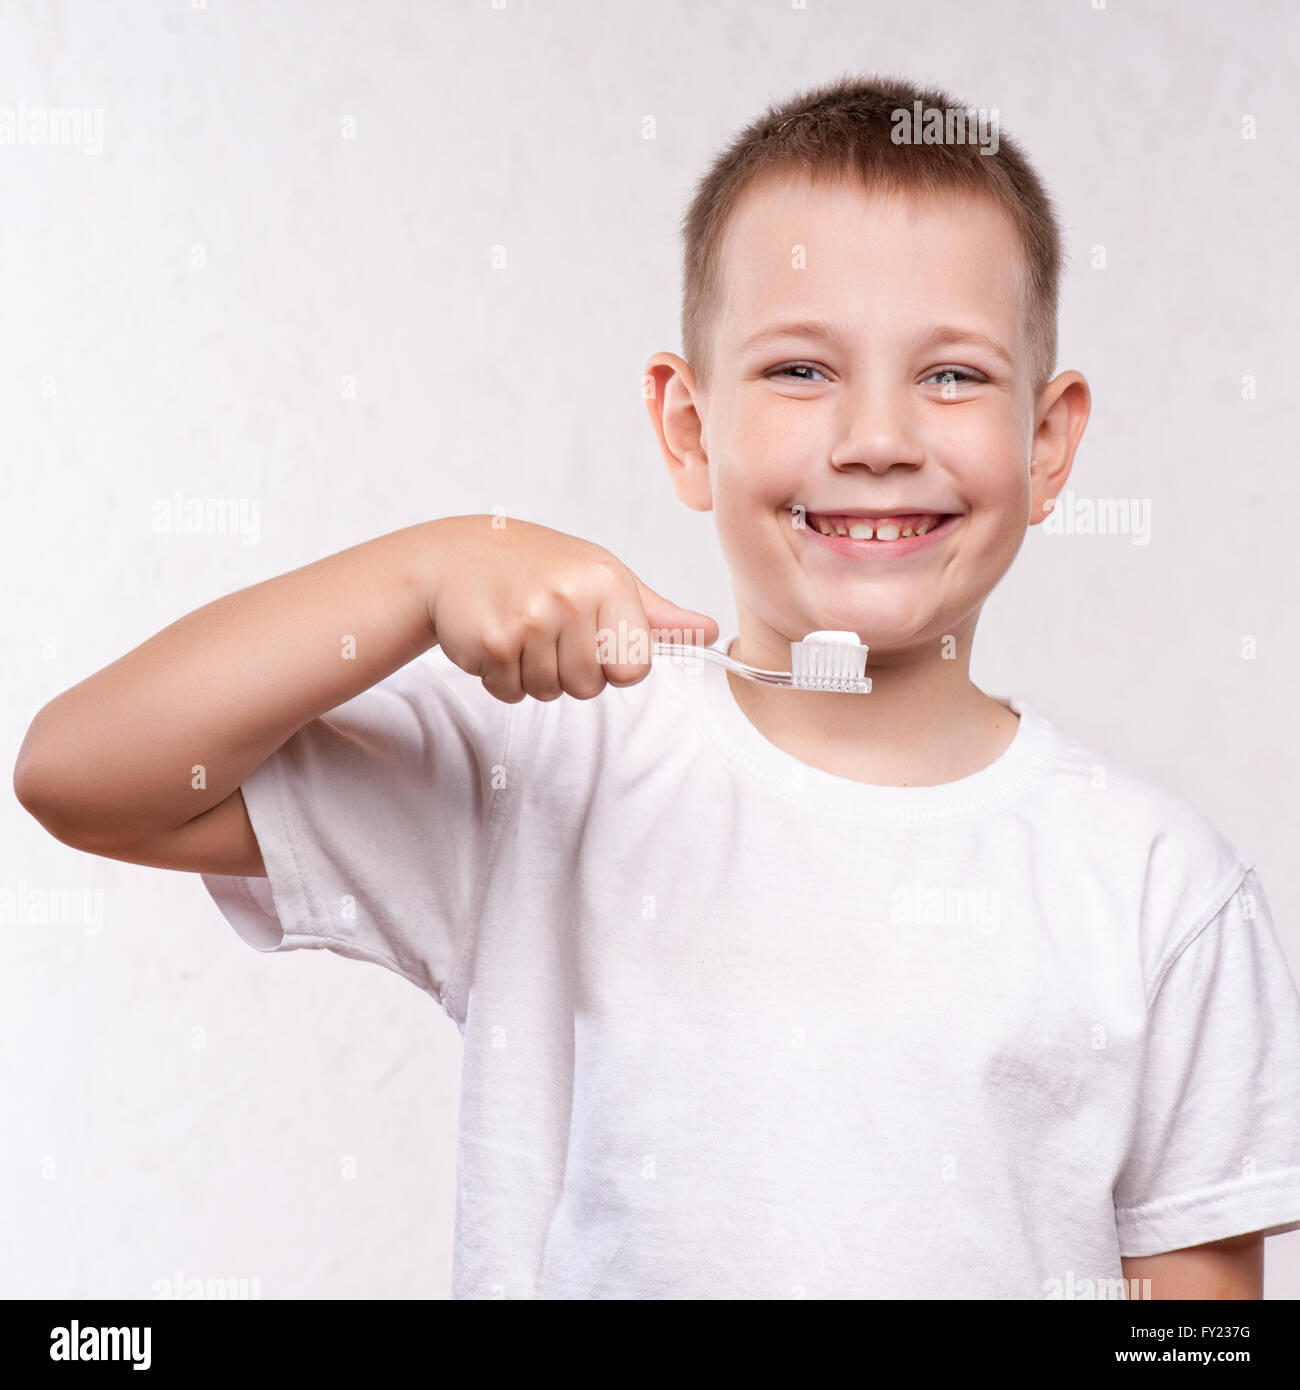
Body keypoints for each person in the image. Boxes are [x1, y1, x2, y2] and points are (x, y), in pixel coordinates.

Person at [16, 73, 1300, 1300]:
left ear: (1048, 440)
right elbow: (84, 775)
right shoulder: (556, 767)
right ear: (687, 429)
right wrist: (422, 570)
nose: (877, 438)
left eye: (951, 372)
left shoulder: (1158, 891)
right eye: (801, 369)